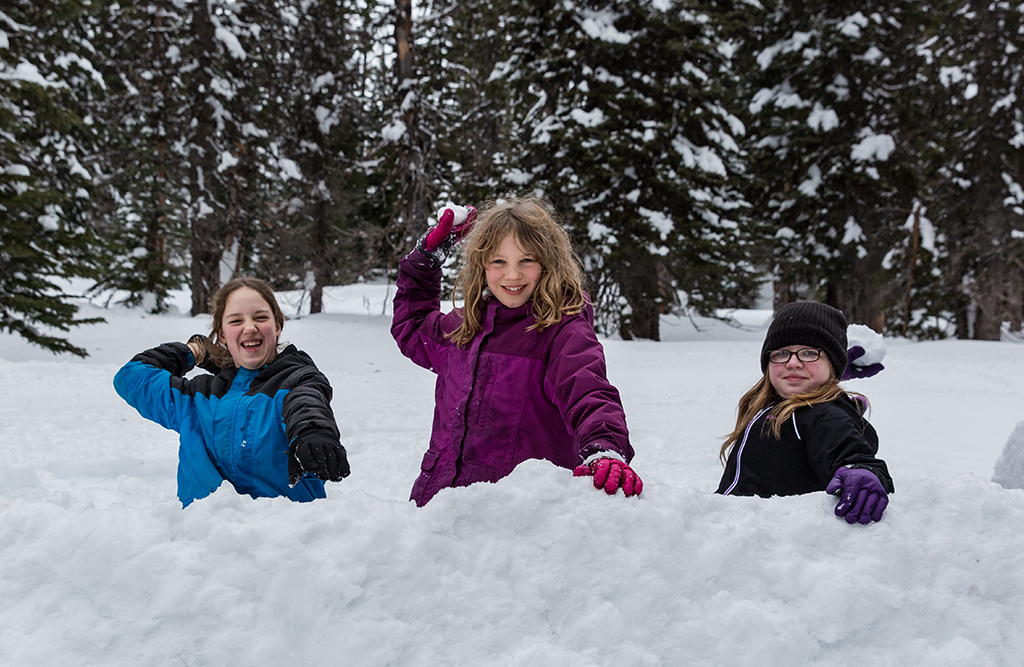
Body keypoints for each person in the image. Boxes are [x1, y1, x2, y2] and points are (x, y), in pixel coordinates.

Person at [391, 198, 642, 506]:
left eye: (526, 261)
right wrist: (426, 258)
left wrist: (604, 449)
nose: (512, 275)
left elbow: (588, 391)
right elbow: (413, 326)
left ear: (548, 264)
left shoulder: (562, 330)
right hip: (440, 508)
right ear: (482, 264)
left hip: (518, 515)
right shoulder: (466, 325)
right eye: (499, 261)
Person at [113, 277, 349, 507]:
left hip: (282, 530)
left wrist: (313, 432)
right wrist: (193, 352)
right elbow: (131, 377)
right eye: (236, 321)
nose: (250, 327)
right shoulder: (196, 398)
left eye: (260, 318)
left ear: (277, 327)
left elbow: (306, 404)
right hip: (202, 530)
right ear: (223, 334)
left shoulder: (296, 380)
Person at [716, 301, 894, 524]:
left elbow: (847, 452)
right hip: (738, 530)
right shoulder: (776, 401)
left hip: (771, 534)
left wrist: (861, 471)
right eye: (781, 353)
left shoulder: (822, 416)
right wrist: (819, 371)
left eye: (809, 353)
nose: (793, 363)